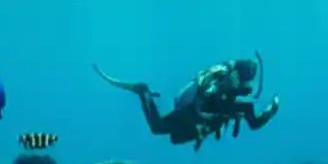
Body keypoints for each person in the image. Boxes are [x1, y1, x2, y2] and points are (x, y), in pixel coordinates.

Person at [93, 54, 280, 150]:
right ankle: (143, 91)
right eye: (244, 78)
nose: (245, 85)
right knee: (157, 128)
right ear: (236, 73)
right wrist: (235, 108)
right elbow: (211, 99)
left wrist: (269, 110)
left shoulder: (234, 91)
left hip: (201, 122)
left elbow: (250, 120)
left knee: (174, 139)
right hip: (190, 112)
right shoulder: (219, 80)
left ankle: (144, 93)